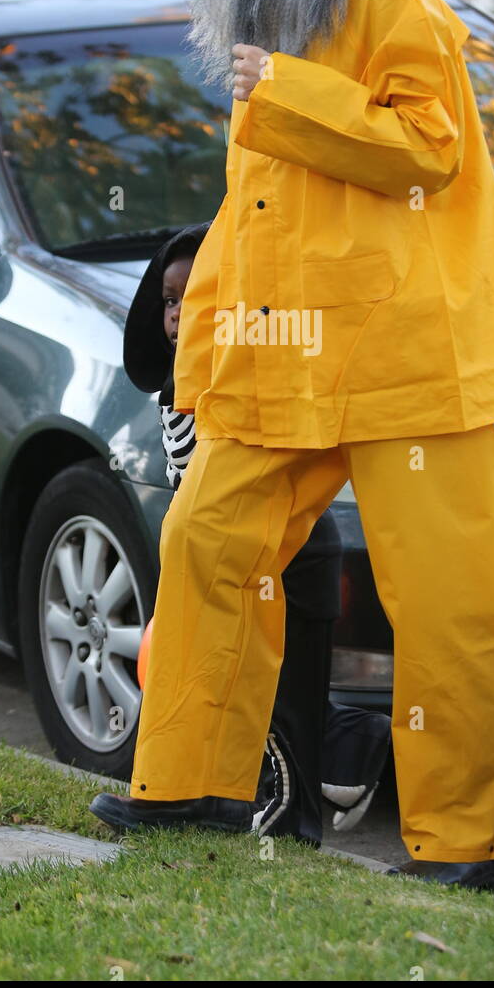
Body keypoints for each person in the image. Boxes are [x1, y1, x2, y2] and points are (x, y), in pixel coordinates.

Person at [91, 0, 494, 896]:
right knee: (205, 548)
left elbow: (426, 148)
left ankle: (463, 849)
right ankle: (192, 788)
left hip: (410, 360)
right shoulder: (269, 18)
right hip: (276, 360)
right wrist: (206, 343)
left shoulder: (399, 5)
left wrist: (289, 91)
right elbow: (263, 220)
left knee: (445, 607)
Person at [118, 221, 392, 846]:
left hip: (285, 552)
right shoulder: (178, 385)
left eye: (198, 300)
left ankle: (288, 821)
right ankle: (348, 742)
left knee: (275, 703)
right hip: (250, 548)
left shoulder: (232, 373)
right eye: (169, 301)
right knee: (259, 691)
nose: (180, 315)